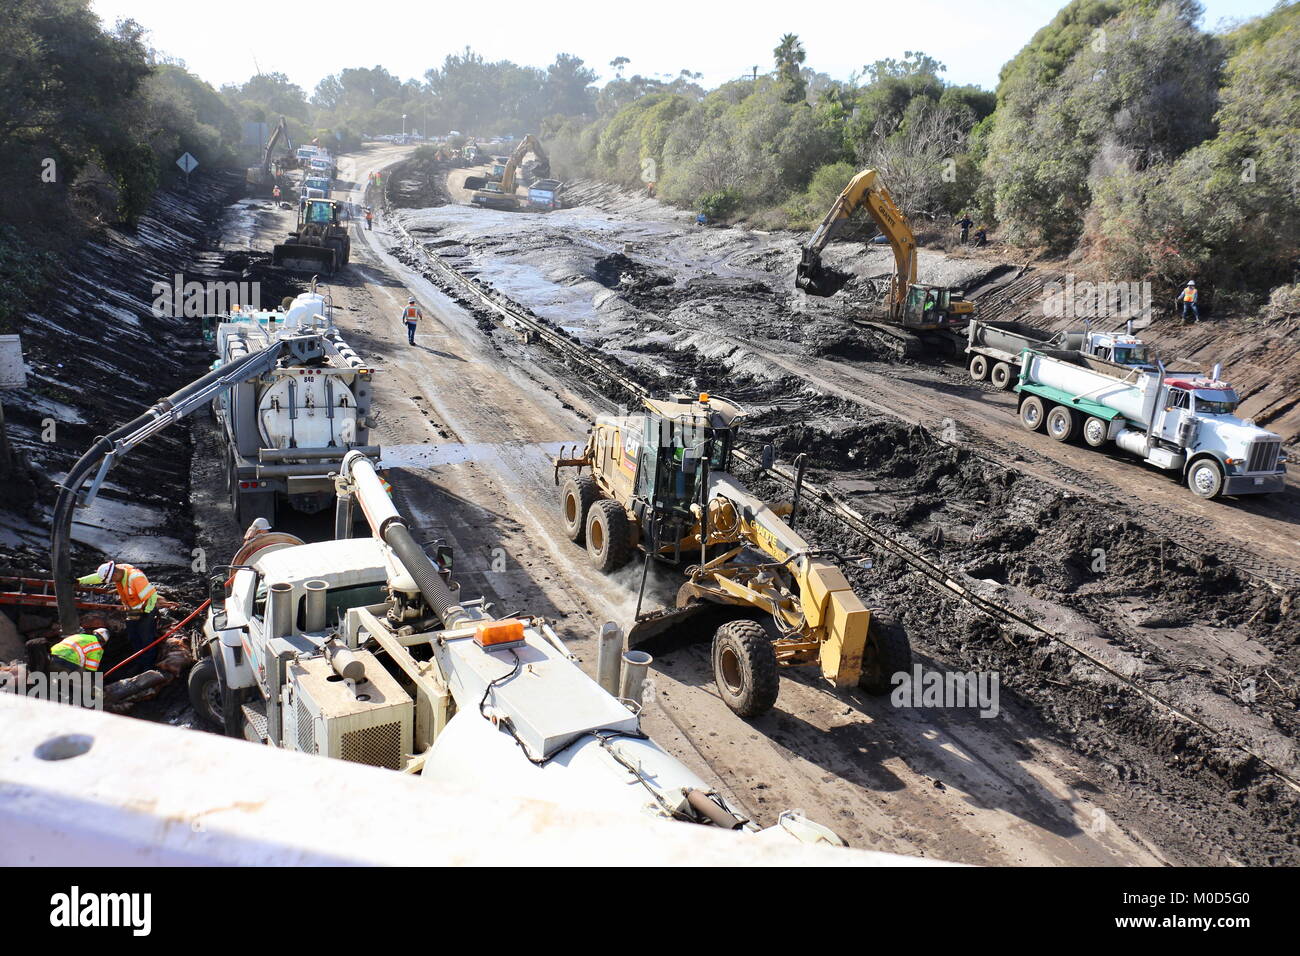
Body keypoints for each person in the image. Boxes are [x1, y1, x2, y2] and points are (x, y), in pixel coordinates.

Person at [77, 561, 159, 672]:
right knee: (133, 636)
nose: (112, 582)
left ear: (114, 574)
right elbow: (99, 576)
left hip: (146, 611)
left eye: (111, 580)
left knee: (146, 639)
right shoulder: (119, 569)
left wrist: (146, 612)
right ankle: (139, 662)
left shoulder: (135, 578)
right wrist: (79, 581)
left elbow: (152, 596)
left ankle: (148, 666)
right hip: (133, 610)